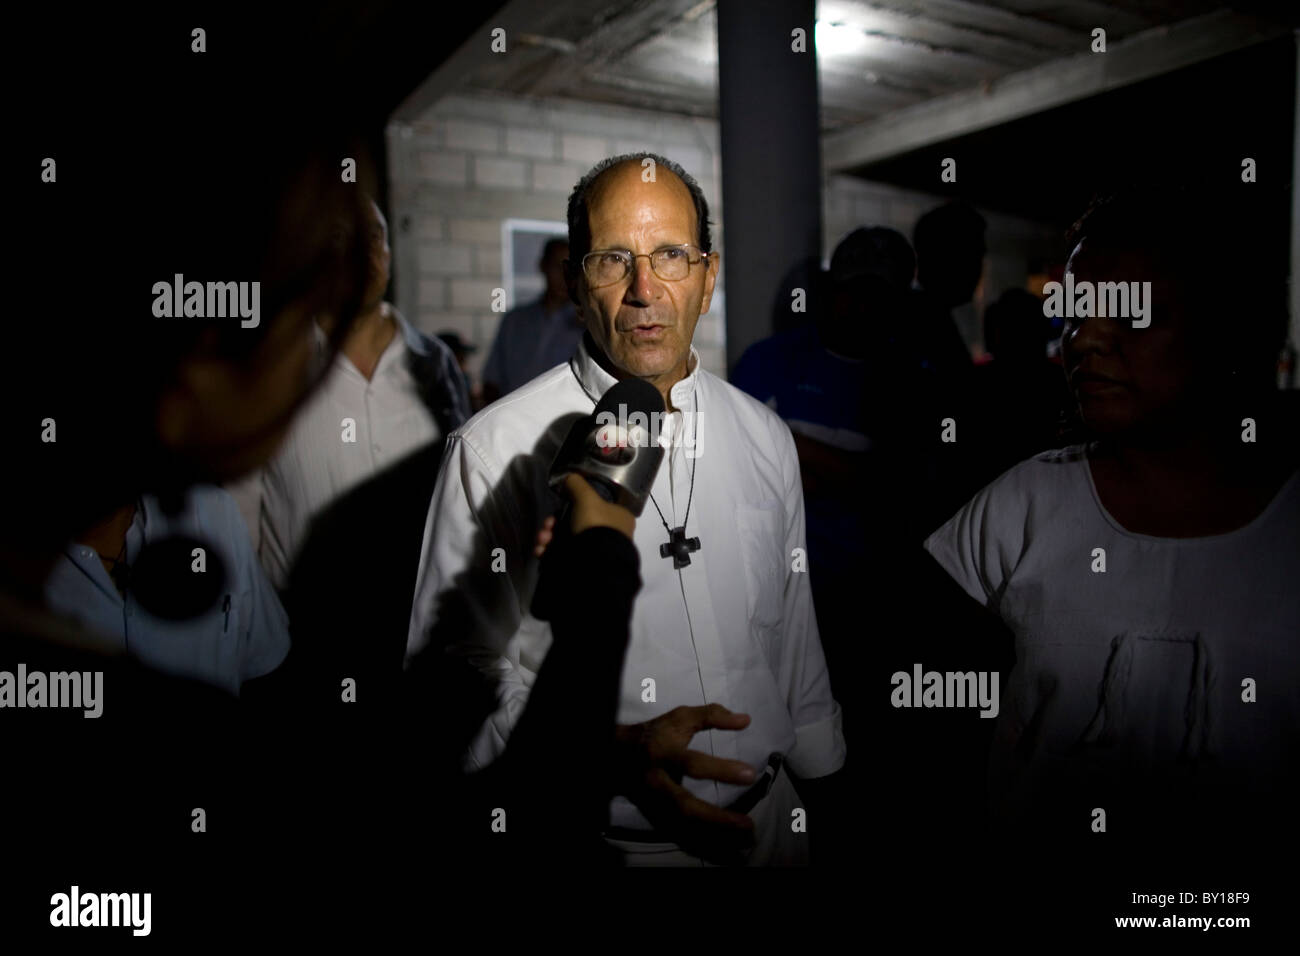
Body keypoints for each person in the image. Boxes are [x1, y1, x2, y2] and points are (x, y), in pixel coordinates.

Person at [407, 153, 846, 866]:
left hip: (775, 829)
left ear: (709, 278)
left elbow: (792, 631)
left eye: (672, 255)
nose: (645, 290)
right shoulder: (493, 449)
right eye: (614, 259)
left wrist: (826, 777)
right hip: (605, 846)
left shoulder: (764, 435)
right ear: (578, 286)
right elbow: (453, 677)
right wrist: (608, 748)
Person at [921, 186, 1299, 843]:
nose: (1086, 340)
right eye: (1075, 314)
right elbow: (929, 712)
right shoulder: (1023, 506)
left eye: (1132, 315)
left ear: (1226, 327)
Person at [731, 227, 914, 712]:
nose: (858, 306)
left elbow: (895, 488)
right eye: (849, 291)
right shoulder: (768, 359)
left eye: (876, 295)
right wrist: (847, 472)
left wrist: (784, 445)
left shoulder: (911, 381)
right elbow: (735, 464)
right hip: (766, 594)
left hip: (867, 603)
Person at [247, 198, 471, 591]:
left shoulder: (435, 363)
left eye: (374, 236)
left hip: (419, 627)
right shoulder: (270, 371)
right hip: (303, 631)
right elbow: (241, 516)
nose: (362, 252)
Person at [480, 238, 585, 403]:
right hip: (513, 421)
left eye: (571, 269)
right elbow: (492, 381)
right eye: (557, 266)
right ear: (542, 266)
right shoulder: (514, 321)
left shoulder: (587, 326)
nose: (564, 276)